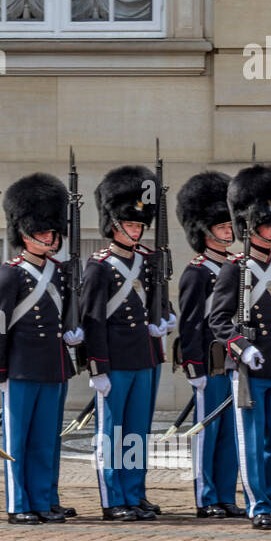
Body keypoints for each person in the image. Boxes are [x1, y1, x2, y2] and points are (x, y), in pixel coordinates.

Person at [208, 164, 271, 532]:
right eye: (267, 224)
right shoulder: (235, 267)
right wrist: (242, 347)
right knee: (251, 438)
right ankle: (257, 504)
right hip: (249, 367)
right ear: (250, 226)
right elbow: (218, 319)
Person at [0, 173, 77, 525]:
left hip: (52, 367)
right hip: (20, 368)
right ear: (24, 234)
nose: (49, 238)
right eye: (42, 233)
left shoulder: (58, 272)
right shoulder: (11, 273)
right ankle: (18, 503)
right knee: (18, 442)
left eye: (51, 233)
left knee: (44, 441)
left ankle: (41, 500)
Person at [81, 165, 168, 521]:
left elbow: (158, 302)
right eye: (130, 225)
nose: (136, 231)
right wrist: (97, 366)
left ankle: (135, 491)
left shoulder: (148, 261)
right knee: (111, 433)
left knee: (137, 433)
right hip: (114, 360)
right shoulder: (99, 265)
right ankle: (113, 496)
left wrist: (166, 318)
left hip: (143, 358)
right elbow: (92, 318)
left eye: (138, 225)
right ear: (114, 226)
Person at [174, 170, 243, 519]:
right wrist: (194, 368)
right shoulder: (197, 272)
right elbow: (189, 325)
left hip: (236, 363)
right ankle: (206, 496)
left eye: (230, 225)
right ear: (205, 230)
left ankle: (226, 493)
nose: (229, 231)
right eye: (221, 226)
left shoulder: (236, 266)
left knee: (232, 435)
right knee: (209, 433)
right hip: (211, 364)